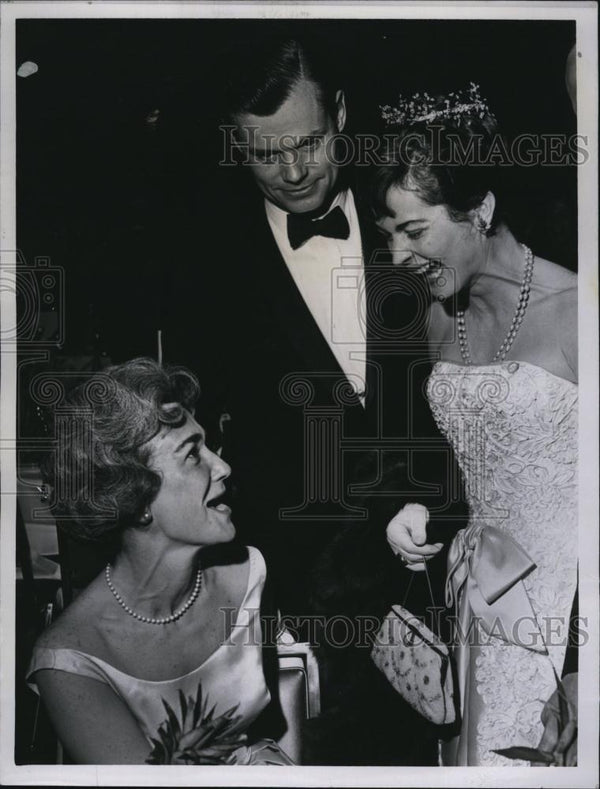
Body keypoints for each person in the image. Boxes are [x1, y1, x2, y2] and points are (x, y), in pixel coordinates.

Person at [161, 34, 467, 765]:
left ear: (341, 116)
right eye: (265, 154)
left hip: (457, 558)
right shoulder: (207, 263)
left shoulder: (412, 206)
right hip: (316, 597)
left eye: (307, 143)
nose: (294, 171)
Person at [370, 84, 578, 766]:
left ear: (480, 210)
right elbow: (472, 463)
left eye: (414, 230)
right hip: (475, 606)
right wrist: (420, 507)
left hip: (567, 616)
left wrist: (582, 667)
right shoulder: (438, 316)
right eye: (388, 235)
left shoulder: (578, 313)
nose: (397, 256)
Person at [26, 358, 293, 765]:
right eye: (192, 454)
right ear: (135, 497)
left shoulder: (248, 575)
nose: (223, 467)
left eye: (209, 447)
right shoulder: (69, 661)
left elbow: (282, 725)